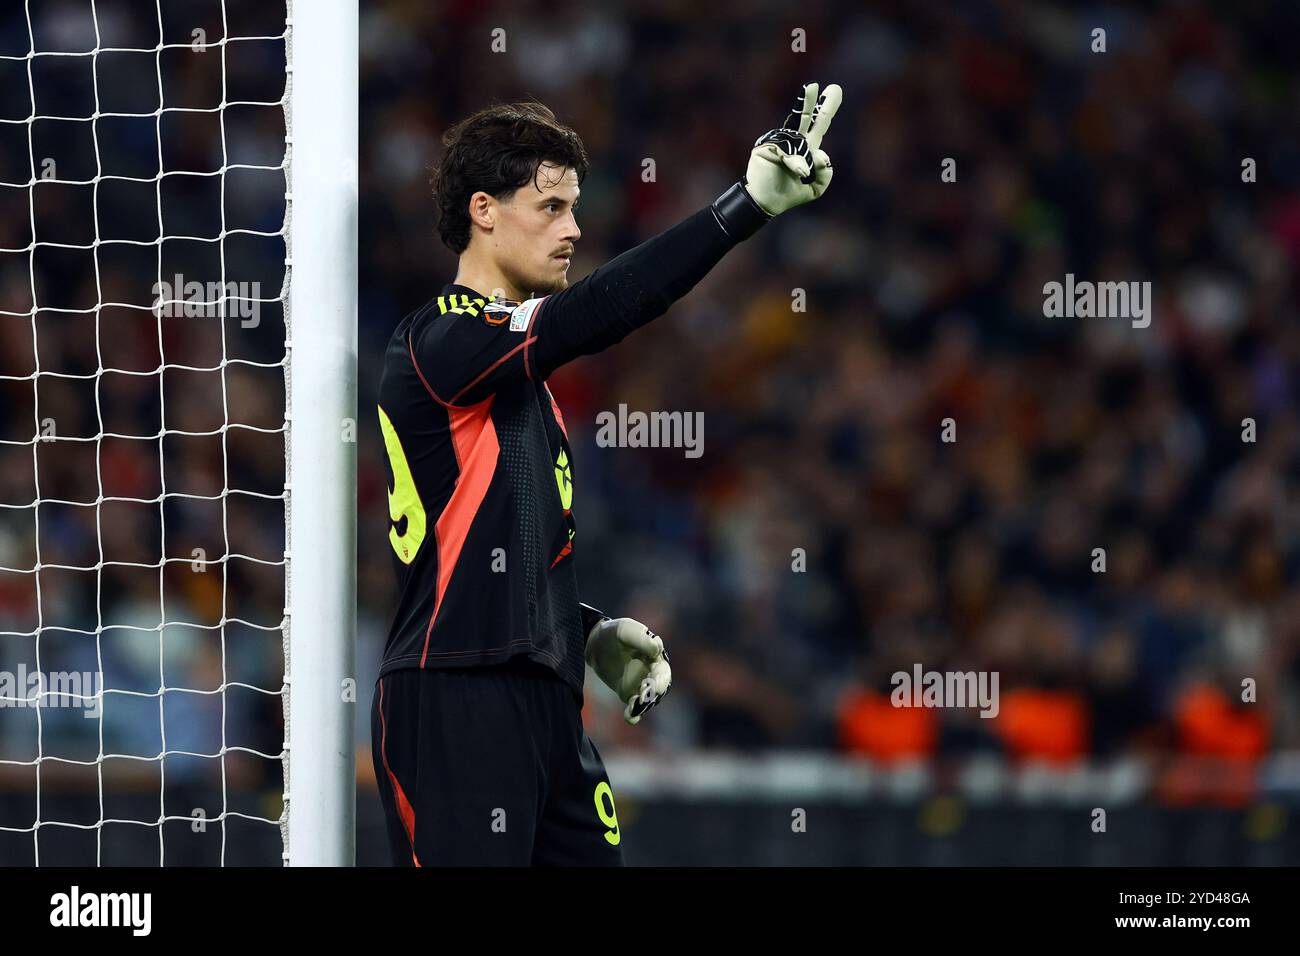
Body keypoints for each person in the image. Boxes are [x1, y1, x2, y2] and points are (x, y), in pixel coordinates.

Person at [371, 83, 841, 865]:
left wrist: (582, 629)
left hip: (549, 703)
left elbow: (493, 542)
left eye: (575, 208)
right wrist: (744, 208)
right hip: (455, 691)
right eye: (550, 207)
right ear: (484, 211)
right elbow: (595, 312)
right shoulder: (436, 340)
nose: (573, 229)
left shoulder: (531, 396)